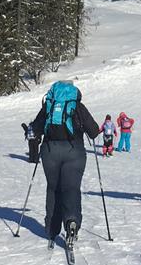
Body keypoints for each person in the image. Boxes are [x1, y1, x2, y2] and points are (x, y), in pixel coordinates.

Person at [31, 81, 100, 250]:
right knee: (71, 188)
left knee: (53, 188)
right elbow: (94, 131)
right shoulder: (77, 106)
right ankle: (72, 221)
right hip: (74, 150)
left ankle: (52, 229)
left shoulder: (49, 105)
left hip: (50, 151)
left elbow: (35, 128)